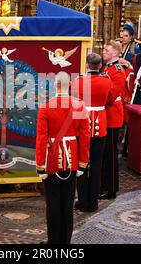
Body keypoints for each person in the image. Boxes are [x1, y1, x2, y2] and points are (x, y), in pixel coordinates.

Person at [35, 72, 90, 244]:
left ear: (55, 85)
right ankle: (65, 242)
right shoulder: (80, 106)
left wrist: (40, 165)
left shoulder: (45, 107)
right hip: (72, 157)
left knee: (52, 203)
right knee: (68, 203)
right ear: (70, 85)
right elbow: (85, 136)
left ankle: (53, 243)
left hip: (51, 158)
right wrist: (82, 163)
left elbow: (41, 138)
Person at [72, 53, 112, 212]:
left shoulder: (78, 80)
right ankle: (93, 202)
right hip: (100, 125)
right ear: (100, 66)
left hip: (81, 124)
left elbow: (73, 101)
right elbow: (109, 100)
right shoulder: (106, 80)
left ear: (87, 65)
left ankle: (82, 201)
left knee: (81, 164)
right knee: (96, 165)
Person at [100, 41, 126, 200]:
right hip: (105, 114)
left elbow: (110, 95)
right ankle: (104, 185)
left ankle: (110, 189)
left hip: (111, 115)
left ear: (115, 53)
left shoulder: (117, 71)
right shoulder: (106, 68)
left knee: (109, 155)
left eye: (106, 50)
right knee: (104, 154)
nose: (103, 52)